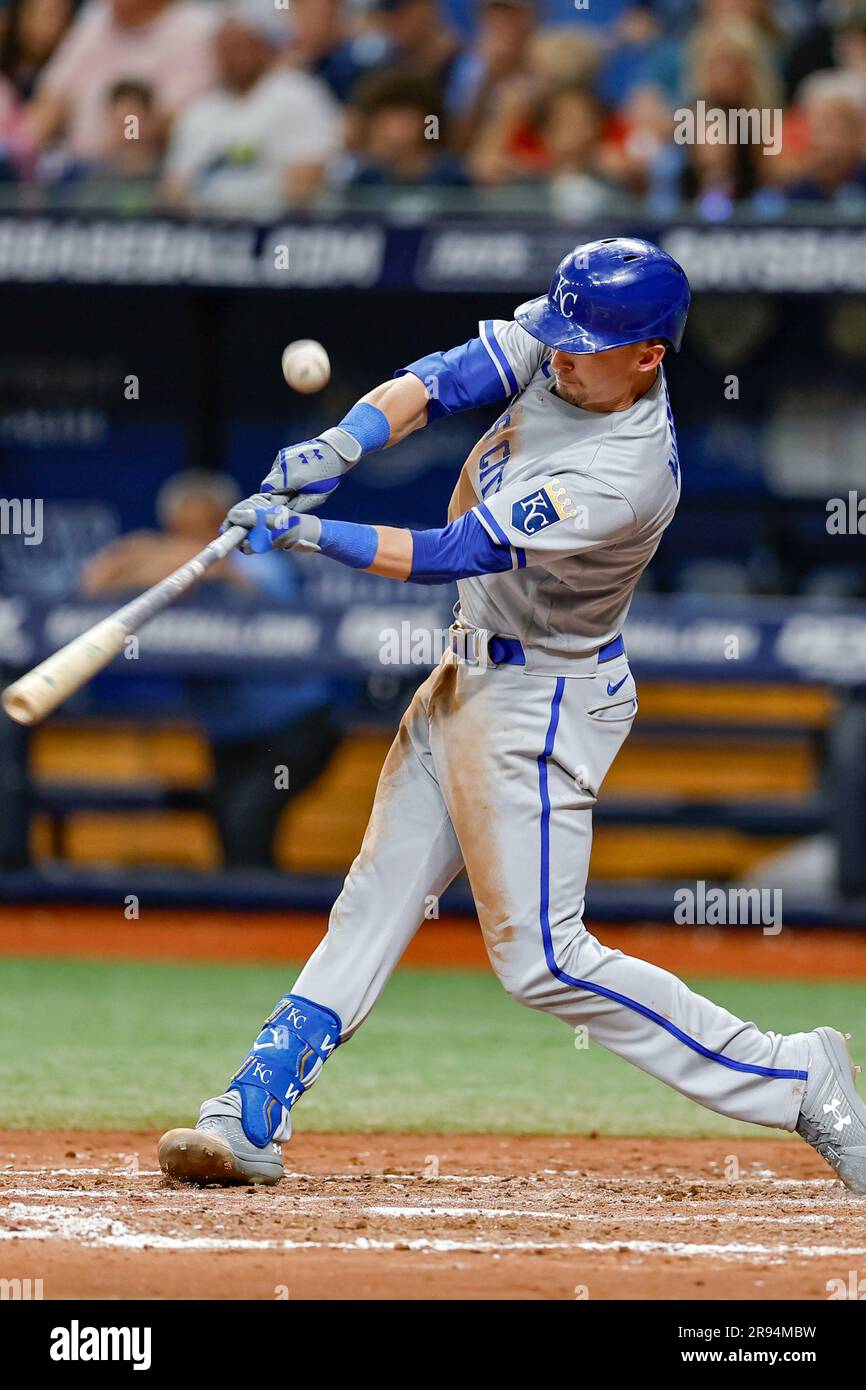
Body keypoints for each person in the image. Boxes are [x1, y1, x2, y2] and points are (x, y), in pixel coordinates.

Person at [157, 239, 866, 1198]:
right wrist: (341, 447)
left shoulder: (626, 473)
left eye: (581, 344)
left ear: (648, 355)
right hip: (466, 672)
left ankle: (795, 1074)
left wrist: (309, 530)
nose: (558, 351)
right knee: (375, 897)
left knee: (541, 962)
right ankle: (248, 1108)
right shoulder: (572, 337)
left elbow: (456, 550)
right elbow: (443, 380)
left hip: (543, 702)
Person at [81, 470, 338, 870]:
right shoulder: (169, 566)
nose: (193, 541)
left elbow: (220, 570)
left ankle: (267, 925)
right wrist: (135, 553)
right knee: (231, 842)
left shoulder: (260, 555)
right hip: (229, 736)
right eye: (179, 530)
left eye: (202, 528)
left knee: (246, 827)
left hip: (293, 729)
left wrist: (150, 554)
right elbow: (94, 583)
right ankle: (248, 928)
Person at [162, 2, 342, 214]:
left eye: (239, 46)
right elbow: (175, 187)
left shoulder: (299, 93)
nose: (231, 57)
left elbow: (306, 180)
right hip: (208, 230)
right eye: (224, 48)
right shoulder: (199, 109)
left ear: (263, 46)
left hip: (277, 228)